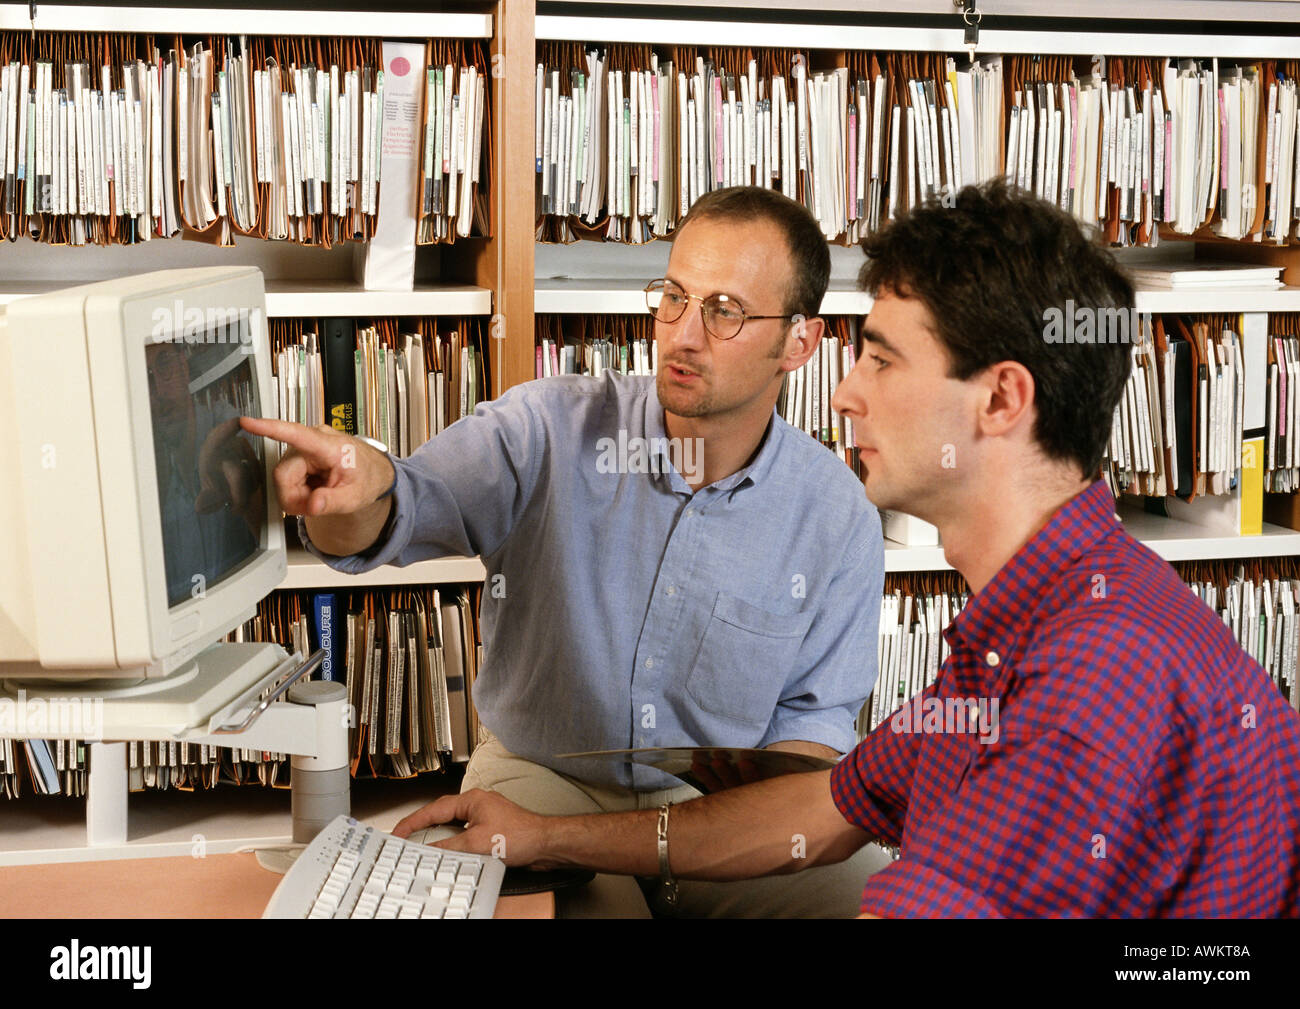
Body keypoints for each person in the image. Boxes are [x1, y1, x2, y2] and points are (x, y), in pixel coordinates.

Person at [395, 178, 1300, 917]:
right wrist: (546, 834)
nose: (843, 395)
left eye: (882, 359)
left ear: (999, 402)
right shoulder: (1042, 619)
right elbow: (826, 807)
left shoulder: (1076, 696)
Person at [242, 185, 892, 917]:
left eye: (725, 311)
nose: (681, 334)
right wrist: (357, 492)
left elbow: (811, 746)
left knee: (883, 903)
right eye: (673, 296)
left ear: (800, 341)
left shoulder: (838, 519)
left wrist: (752, 820)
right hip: (537, 776)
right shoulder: (548, 425)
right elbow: (408, 507)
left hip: (717, 808)